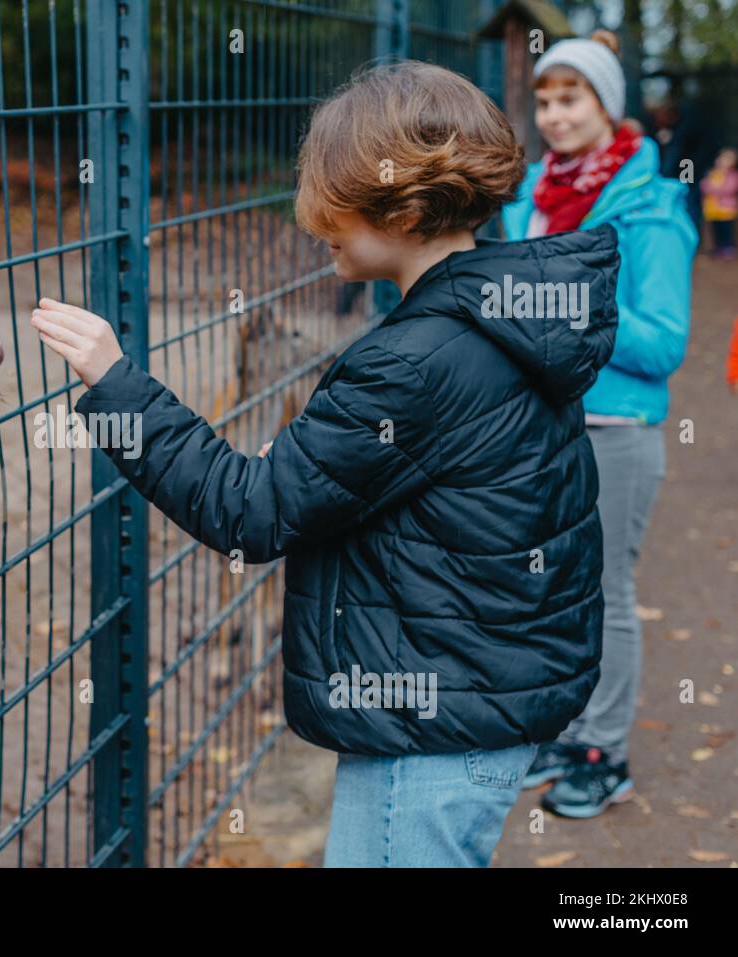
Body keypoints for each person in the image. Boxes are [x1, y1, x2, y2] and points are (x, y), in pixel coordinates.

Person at [31, 61, 618, 866]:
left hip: (428, 736)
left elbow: (248, 511)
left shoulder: (414, 361)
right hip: (475, 699)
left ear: (405, 208)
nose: (316, 225)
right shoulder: (503, 317)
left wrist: (115, 381)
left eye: (333, 205)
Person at [501, 30, 697, 818]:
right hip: (541, 430)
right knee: (550, 589)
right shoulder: (533, 198)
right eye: (544, 100)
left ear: (607, 105)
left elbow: (664, 342)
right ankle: (565, 727)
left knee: (604, 591)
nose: (552, 115)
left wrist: (561, 310)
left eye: (570, 97)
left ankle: (604, 752)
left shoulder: (651, 208)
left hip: (615, 428)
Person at [701, 148, 738, 258]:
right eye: (722, 158)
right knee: (715, 230)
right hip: (713, 209)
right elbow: (704, 186)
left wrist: (714, 189)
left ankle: (728, 247)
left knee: (726, 231)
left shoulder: (733, 175)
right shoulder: (711, 173)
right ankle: (718, 247)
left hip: (726, 210)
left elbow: (730, 188)